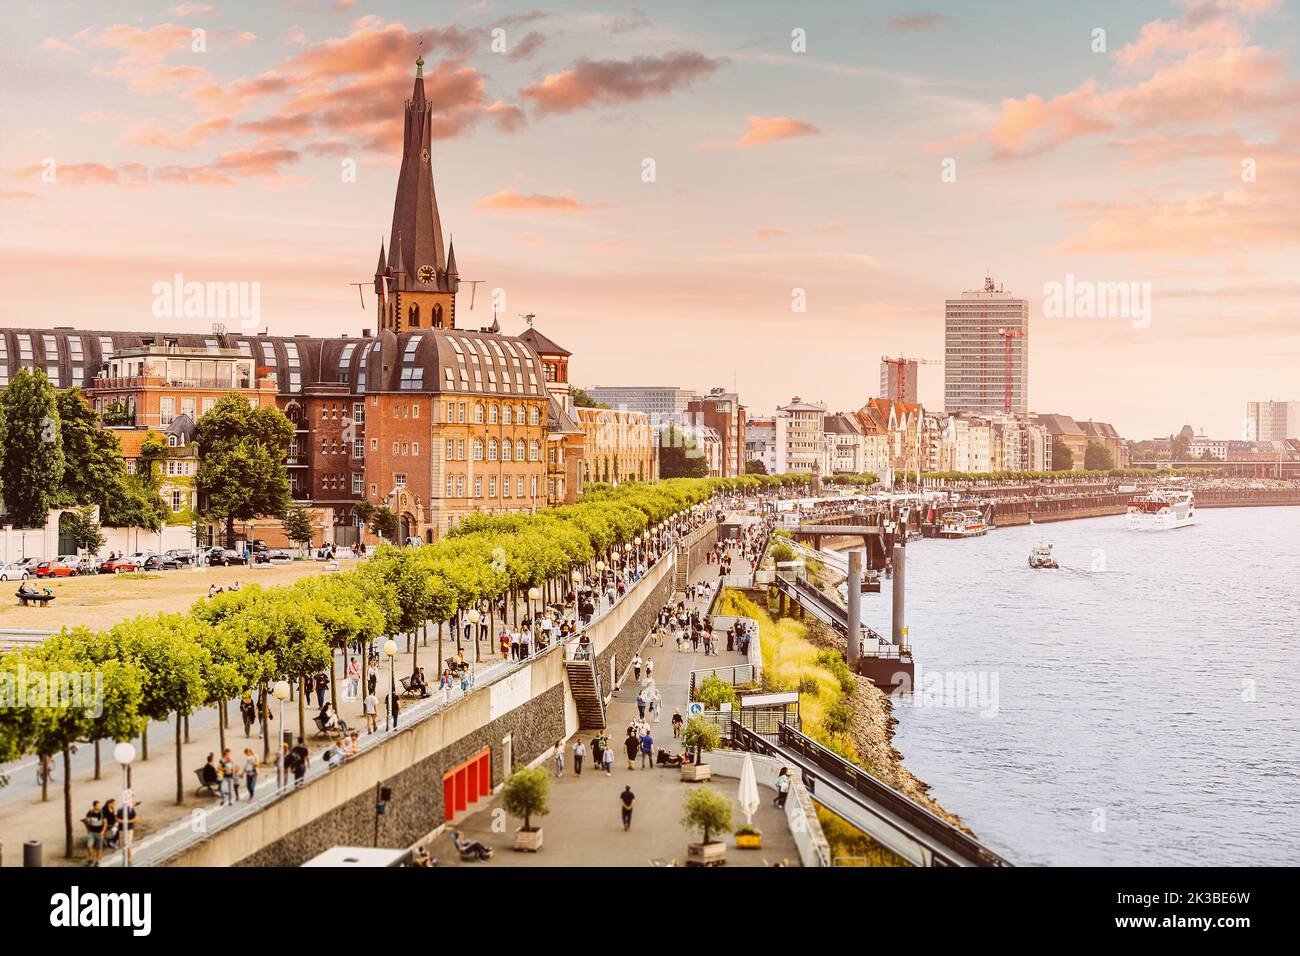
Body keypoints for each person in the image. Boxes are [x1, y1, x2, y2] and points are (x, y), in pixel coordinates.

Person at [83, 800, 106, 866]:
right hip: (91, 832)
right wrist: (86, 820)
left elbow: (105, 823)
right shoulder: (90, 812)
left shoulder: (102, 813)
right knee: (89, 846)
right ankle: (90, 858)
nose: (99, 806)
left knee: (99, 848)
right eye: (97, 805)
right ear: (94, 806)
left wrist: (103, 831)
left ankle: (97, 860)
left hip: (99, 833)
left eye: (99, 805)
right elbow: (86, 819)